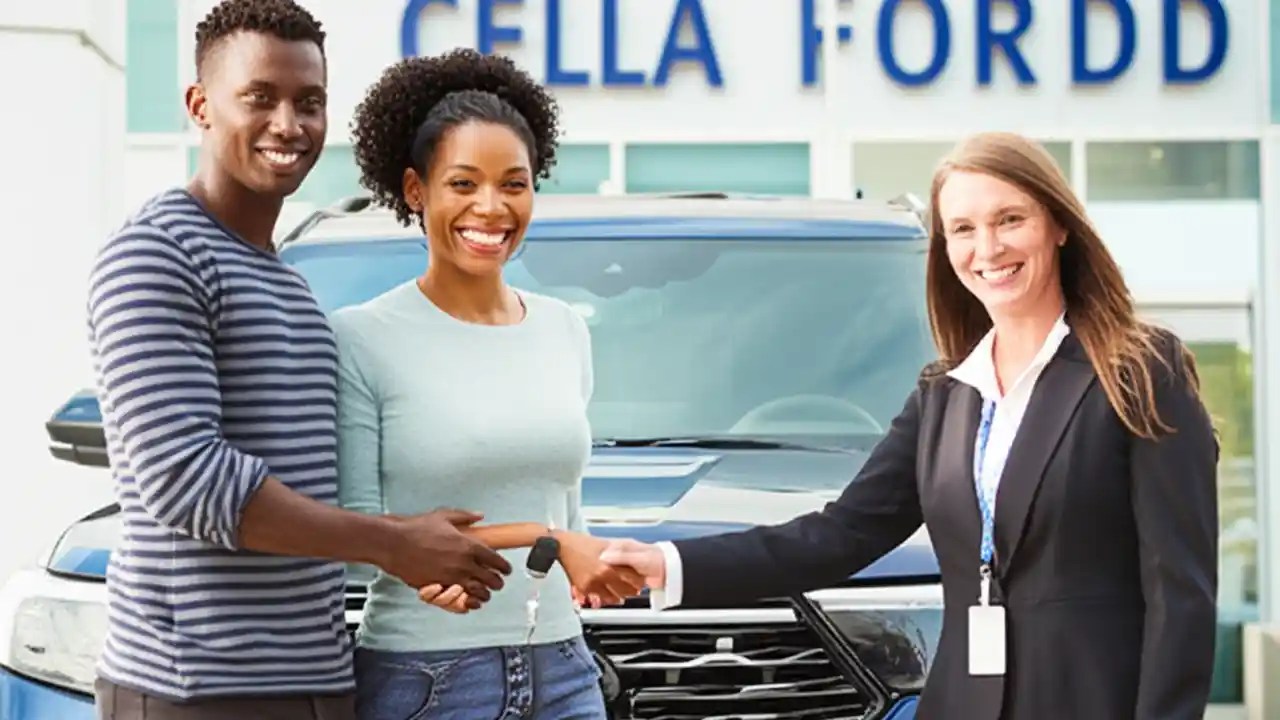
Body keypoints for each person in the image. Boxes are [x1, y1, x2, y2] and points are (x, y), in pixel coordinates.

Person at [601, 131, 1220, 720]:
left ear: (1059, 226)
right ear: (946, 249)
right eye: (963, 230)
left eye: (1010, 220)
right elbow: (837, 536)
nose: (988, 249)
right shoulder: (945, 396)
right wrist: (668, 562)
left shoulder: (1138, 370)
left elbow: (1181, 595)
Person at [86, 3, 512, 718]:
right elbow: (186, 478)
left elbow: (322, 475)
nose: (290, 124)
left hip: (313, 678)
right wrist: (395, 545)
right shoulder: (157, 253)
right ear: (200, 105)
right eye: (260, 98)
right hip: (195, 689)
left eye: (309, 103)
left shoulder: (283, 277)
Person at [331, 48, 643, 720]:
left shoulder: (564, 329)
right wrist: (545, 541)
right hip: (426, 678)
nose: (492, 208)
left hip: (563, 668)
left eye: (514, 183)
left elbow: (569, 511)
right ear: (416, 191)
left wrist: (604, 563)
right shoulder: (362, 336)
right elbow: (359, 539)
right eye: (464, 183)